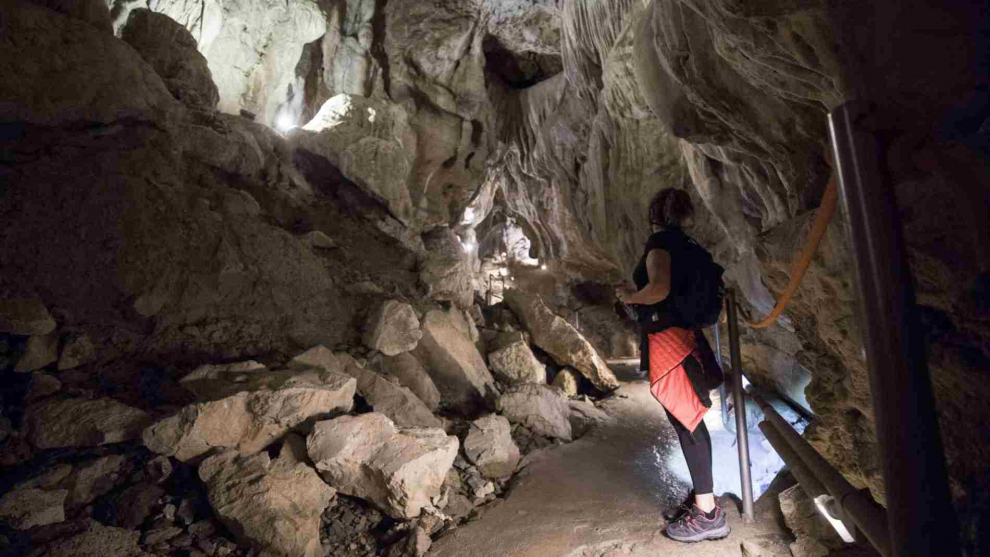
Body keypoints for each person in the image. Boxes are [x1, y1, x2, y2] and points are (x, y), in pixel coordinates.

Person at [616, 188, 730, 543]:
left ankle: (708, 514)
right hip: (687, 337)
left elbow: (659, 288)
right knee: (689, 420)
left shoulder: (660, 242)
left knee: (688, 423)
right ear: (687, 215)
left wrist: (629, 296)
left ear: (654, 214)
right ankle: (702, 498)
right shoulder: (692, 246)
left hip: (671, 342)